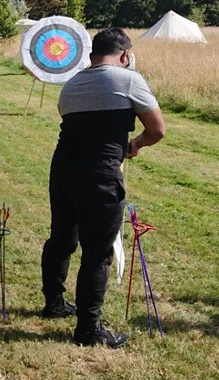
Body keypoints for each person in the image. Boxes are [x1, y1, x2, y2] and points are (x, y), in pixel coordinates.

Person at [40, 28, 166, 349]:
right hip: (100, 175)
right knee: (97, 253)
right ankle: (88, 330)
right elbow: (157, 129)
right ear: (124, 56)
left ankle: (54, 303)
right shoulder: (128, 79)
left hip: (64, 169)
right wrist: (134, 144)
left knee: (62, 239)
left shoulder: (72, 84)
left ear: (91, 55)